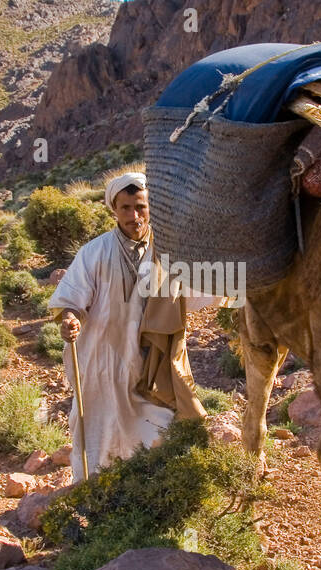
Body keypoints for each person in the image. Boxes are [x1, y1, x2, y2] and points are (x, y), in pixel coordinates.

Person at [48, 169, 210, 483]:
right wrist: (69, 318)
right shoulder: (94, 253)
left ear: (151, 208)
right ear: (114, 209)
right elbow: (72, 297)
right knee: (101, 423)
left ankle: (149, 489)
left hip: (152, 359)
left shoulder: (169, 251)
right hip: (104, 359)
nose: (134, 216)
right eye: (125, 208)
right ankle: (95, 490)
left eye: (140, 207)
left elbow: (203, 282)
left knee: (160, 421)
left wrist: (248, 287)